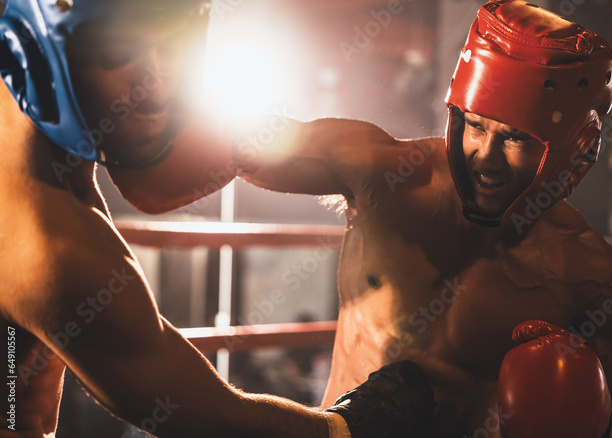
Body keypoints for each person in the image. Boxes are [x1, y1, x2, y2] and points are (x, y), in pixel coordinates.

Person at [109, 0, 612, 436]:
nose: (485, 157)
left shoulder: (592, 276)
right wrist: (138, 98)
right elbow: (243, 143)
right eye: (475, 126)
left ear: (574, 151)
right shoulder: (389, 175)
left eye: (517, 139)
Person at [0, 1, 434, 437]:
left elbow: (153, 175)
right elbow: (207, 417)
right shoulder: (49, 248)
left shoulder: (34, 116)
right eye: (117, 51)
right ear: (30, 51)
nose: (155, 83)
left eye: (172, 45)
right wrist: (348, 427)